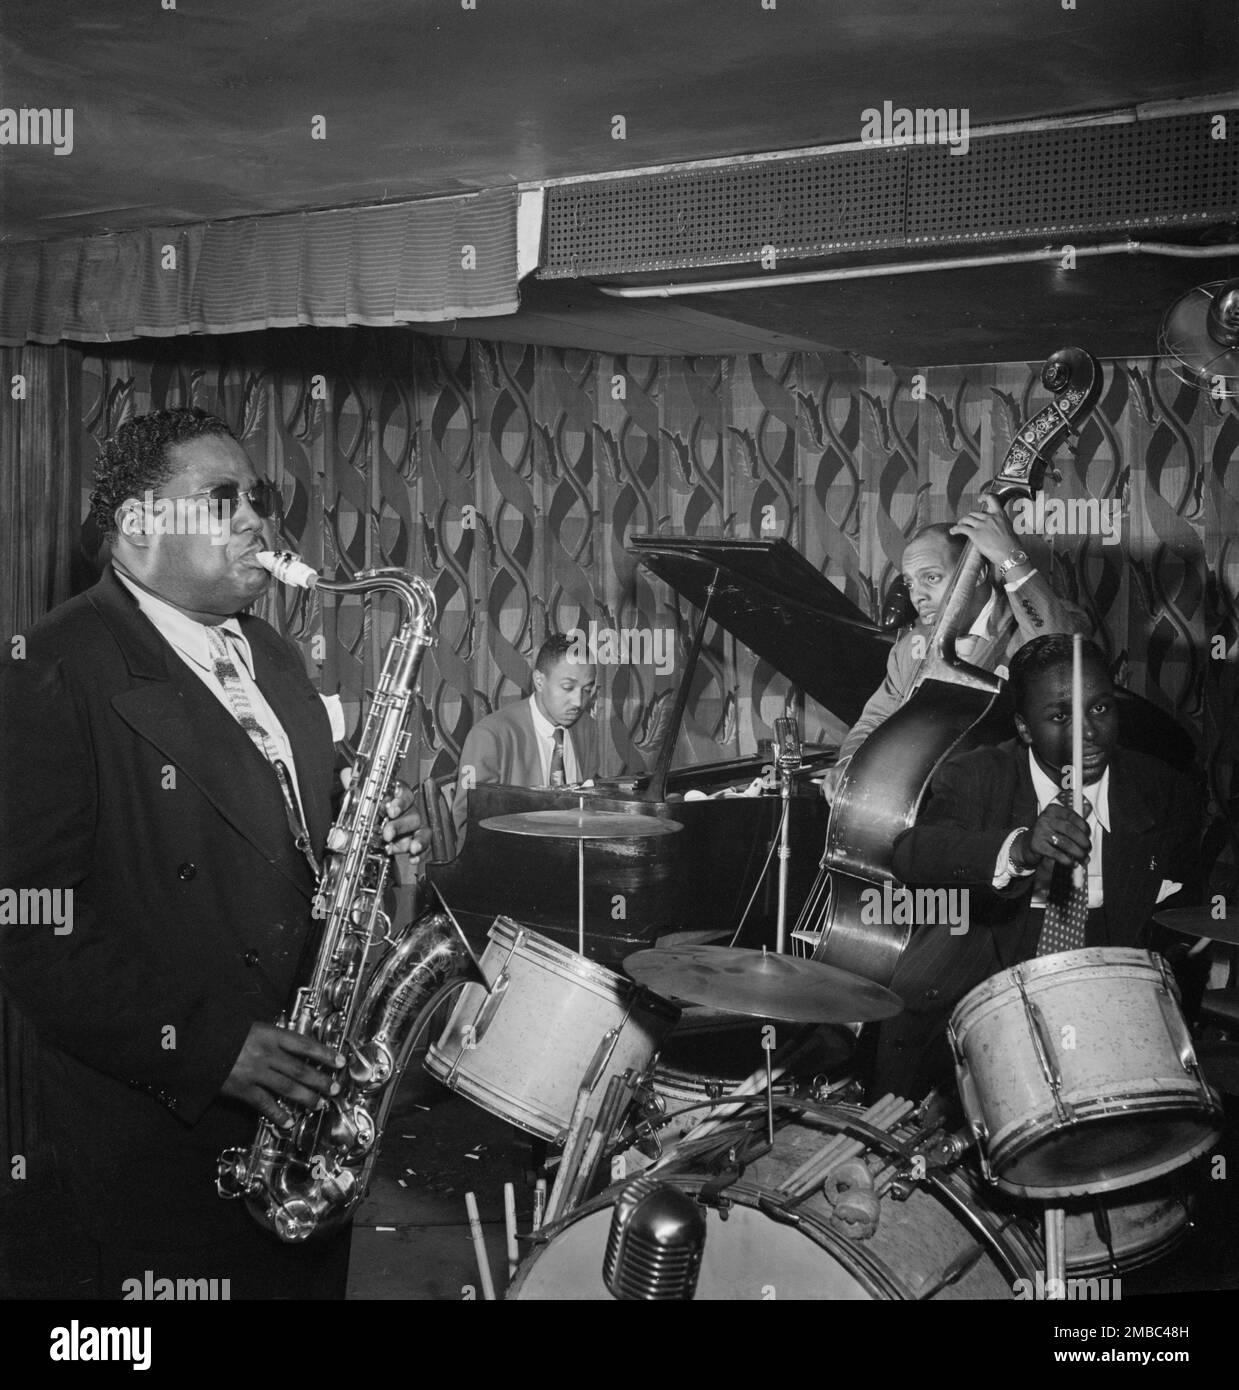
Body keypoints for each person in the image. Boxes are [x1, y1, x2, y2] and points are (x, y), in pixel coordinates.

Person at [0, 406, 431, 1300]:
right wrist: (205, 1050)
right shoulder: (50, 666)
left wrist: (374, 835)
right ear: (139, 525)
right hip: (160, 1140)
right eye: (220, 498)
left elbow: (283, 836)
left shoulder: (268, 653)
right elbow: (31, 927)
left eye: (258, 497)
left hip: (300, 1125)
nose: (255, 520)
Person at [869, 634, 1201, 1101]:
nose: (1088, 732)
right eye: (1060, 716)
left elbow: (1192, 904)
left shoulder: (1163, 790)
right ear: (1024, 728)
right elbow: (913, 853)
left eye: (1101, 709)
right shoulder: (975, 775)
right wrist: (1019, 849)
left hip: (1105, 1004)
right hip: (978, 990)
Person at [819, 495, 1088, 798]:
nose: (917, 595)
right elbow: (876, 720)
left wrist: (1009, 557)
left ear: (978, 574)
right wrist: (850, 762)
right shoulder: (909, 649)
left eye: (931, 578)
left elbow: (1062, 653)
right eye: (910, 583)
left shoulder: (1036, 623)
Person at [452, 633, 598, 843]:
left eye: (587, 689)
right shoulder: (490, 736)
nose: (578, 701)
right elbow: (467, 823)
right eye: (568, 687)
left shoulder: (586, 728)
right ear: (539, 681)